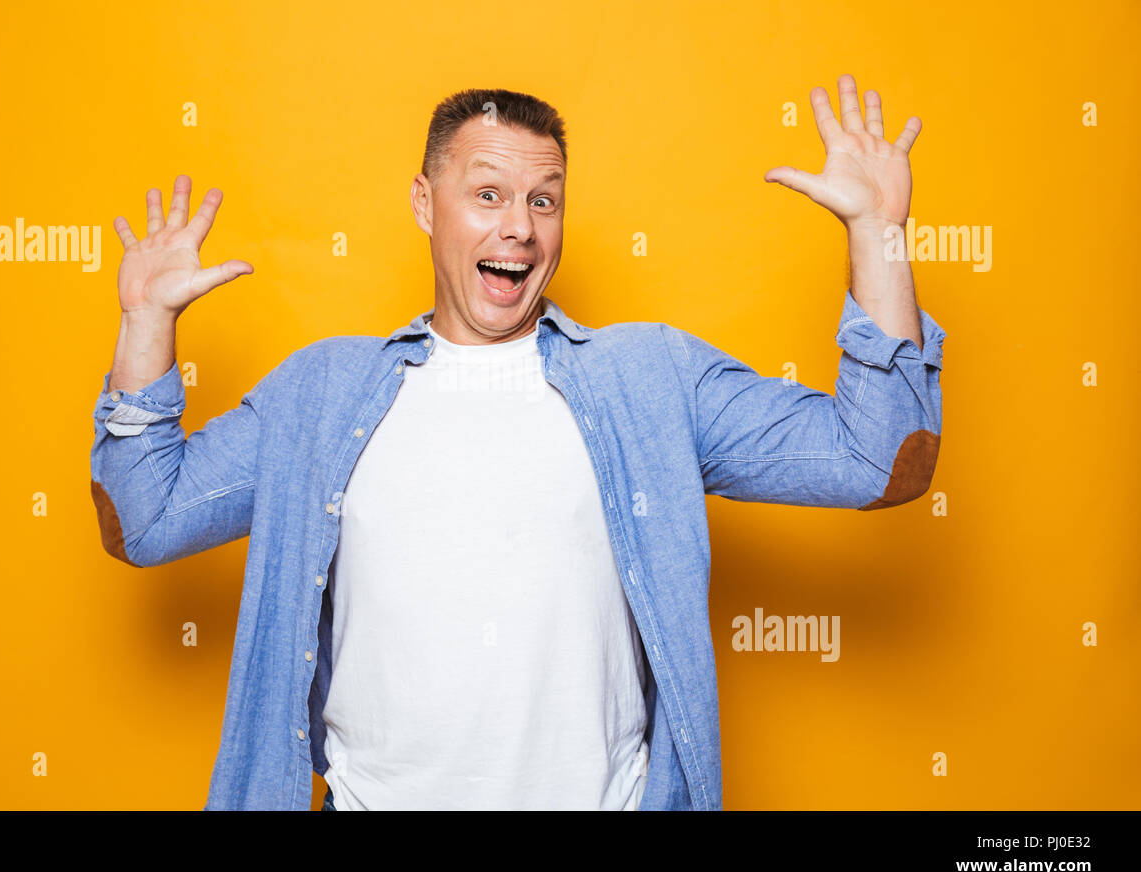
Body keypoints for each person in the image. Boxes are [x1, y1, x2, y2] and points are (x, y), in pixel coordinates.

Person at [89, 76, 945, 810]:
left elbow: (878, 459)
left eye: (544, 199)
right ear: (425, 202)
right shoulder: (320, 395)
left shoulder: (650, 380)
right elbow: (147, 517)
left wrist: (878, 234)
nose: (520, 229)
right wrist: (145, 327)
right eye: (488, 194)